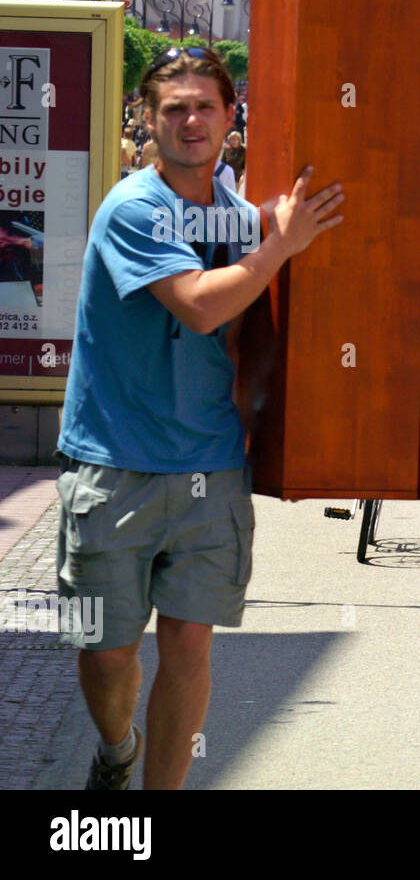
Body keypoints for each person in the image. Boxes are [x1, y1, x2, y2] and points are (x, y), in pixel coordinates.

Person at [55, 45, 343, 790]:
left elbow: (245, 334)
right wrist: (282, 245)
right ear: (148, 120)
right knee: (106, 651)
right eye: (174, 108)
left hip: (209, 467)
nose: (191, 121)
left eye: (205, 107)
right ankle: (116, 749)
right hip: (111, 464)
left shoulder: (244, 220)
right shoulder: (133, 208)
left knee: (189, 647)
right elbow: (200, 304)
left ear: (229, 116)